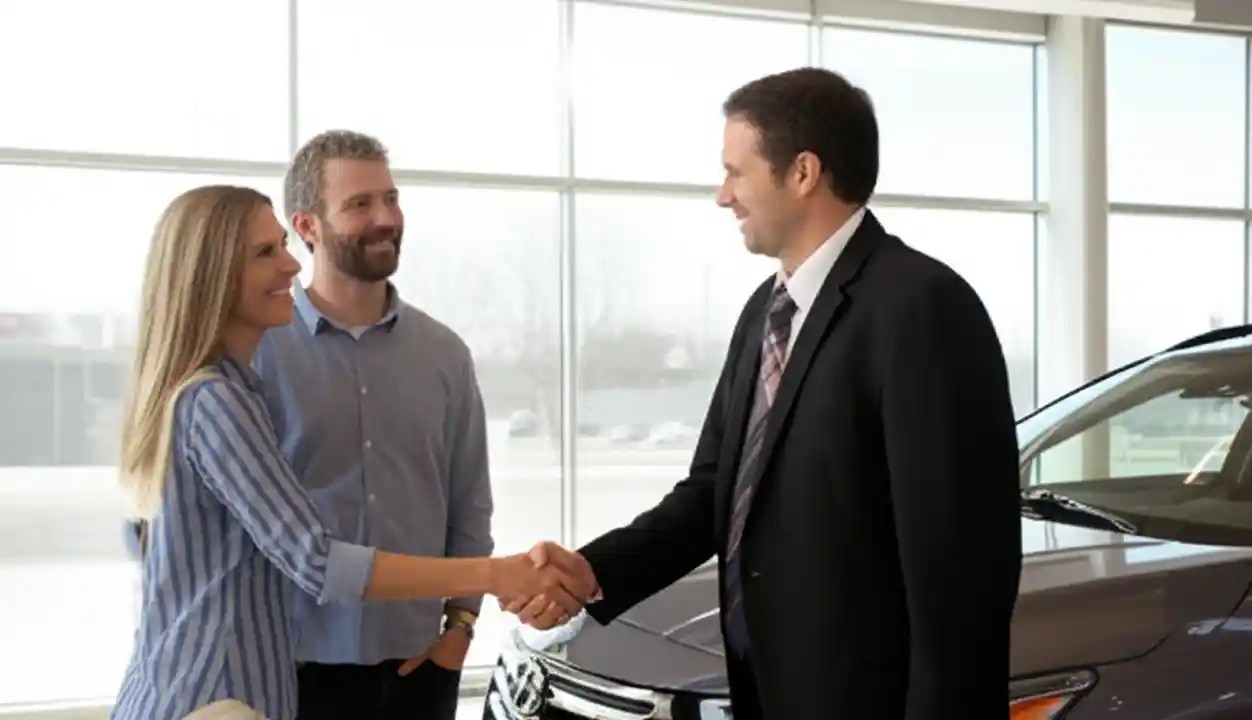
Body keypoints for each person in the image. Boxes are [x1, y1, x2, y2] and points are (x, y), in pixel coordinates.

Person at [505, 67, 1023, 719]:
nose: (724, 196)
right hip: (768, 691)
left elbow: (960, 569)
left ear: (802, 172)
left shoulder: (923, 308)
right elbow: (714, 491)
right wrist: (592, 571)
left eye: (736, 171)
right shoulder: (766, 310)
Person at [111, 185, 590, 720]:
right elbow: (317, 561)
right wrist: (499, 575)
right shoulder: (216, 401)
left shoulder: (220, 392)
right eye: (264, 253)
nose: (292, 265)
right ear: (212, 275)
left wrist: (460, 622)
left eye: (283, 245)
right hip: (215, 698)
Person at [248, 129, 493, 720]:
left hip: (420, 668)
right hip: (292, 670)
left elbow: (468, 502)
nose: (385, 217)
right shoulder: (259, 353)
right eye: (359, 204)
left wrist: (460, 626)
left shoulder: (444, 354)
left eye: (391, 198)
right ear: (306, 226)